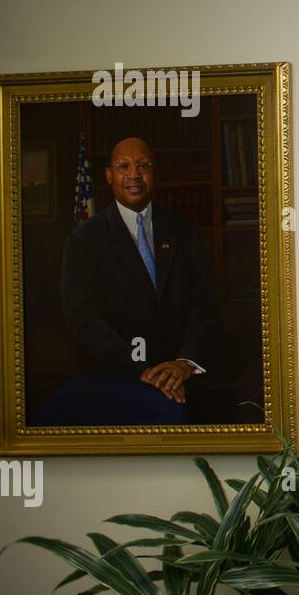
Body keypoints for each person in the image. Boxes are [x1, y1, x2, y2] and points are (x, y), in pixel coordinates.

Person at [43, 137, 217, 425]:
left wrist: (185, 363)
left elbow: (205, 305)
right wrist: (142, 371)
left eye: (143, 166)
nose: (134, 175)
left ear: (154, 172)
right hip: (116, 384)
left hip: (186, 382)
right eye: (124, 166)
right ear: (109, 175)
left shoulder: (184, 231)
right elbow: (83, 320)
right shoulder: (84, 240)